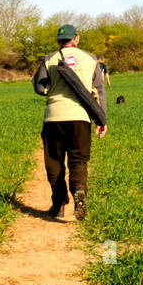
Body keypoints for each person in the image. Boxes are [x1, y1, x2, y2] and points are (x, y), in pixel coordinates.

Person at [32, 24, 107, 220]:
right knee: (78, 161)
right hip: (81, 118)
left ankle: (58, 203)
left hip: (54, 117)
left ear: (59, 41)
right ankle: (79, 190)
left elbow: (39, 87)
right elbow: (99, 90)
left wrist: (52, 91)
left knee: (54, 162)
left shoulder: (50, 59)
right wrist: (101, 119)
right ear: (77, 38)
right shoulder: (91, 59)